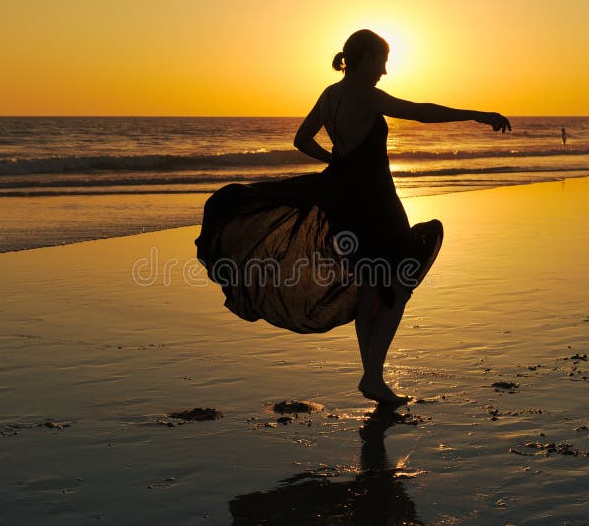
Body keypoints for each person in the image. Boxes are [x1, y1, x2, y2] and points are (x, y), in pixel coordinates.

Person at [195, 29, 510, 405]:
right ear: (365, 59)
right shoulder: (366, 95)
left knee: (370, 286)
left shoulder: (330, 95)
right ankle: (373, 377)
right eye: (382, 62)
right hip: (374, 201)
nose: (385, 71)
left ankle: (373, 379)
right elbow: (421, 112)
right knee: (397, 283)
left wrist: (337, 164)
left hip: (344, 198)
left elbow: (301, 139)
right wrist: (478, 115)